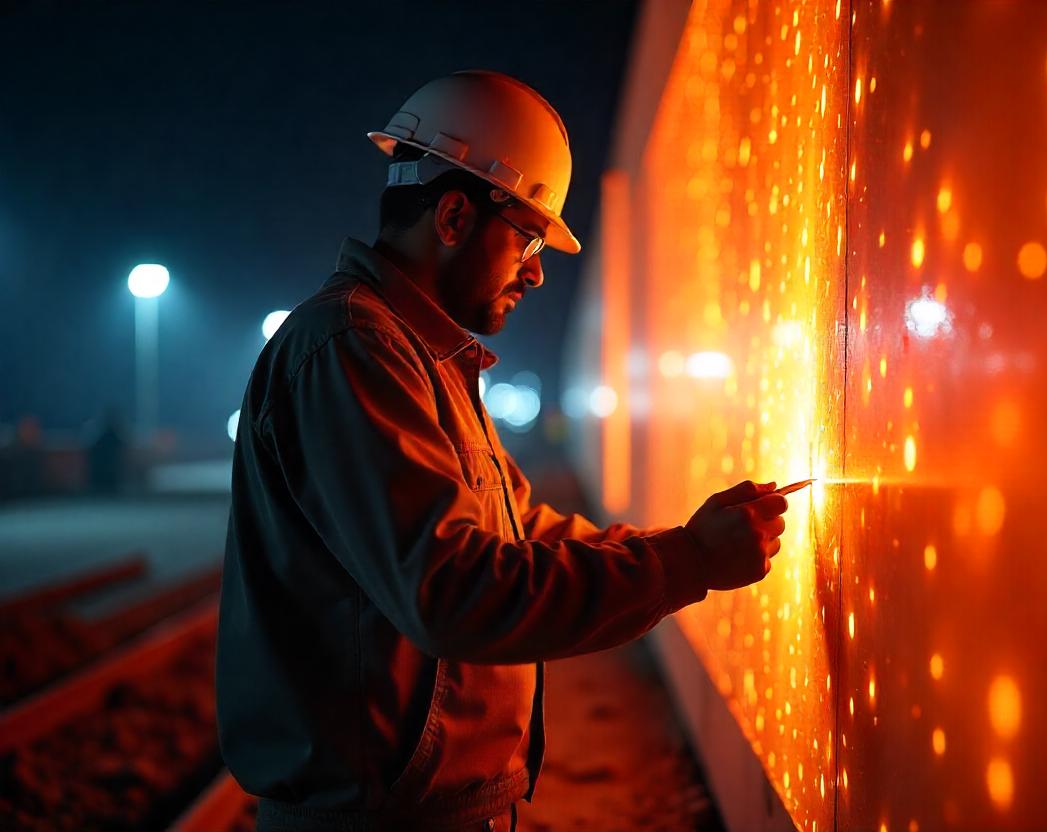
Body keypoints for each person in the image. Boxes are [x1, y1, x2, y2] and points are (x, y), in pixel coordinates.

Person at [216, 70, 789, 832]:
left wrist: (680, 545)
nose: (538, 270)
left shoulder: (421, 359)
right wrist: (685, 563)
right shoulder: (353, 348)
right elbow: (454, 590)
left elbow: (521, 530)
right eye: (526, 235)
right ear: (454, 215)